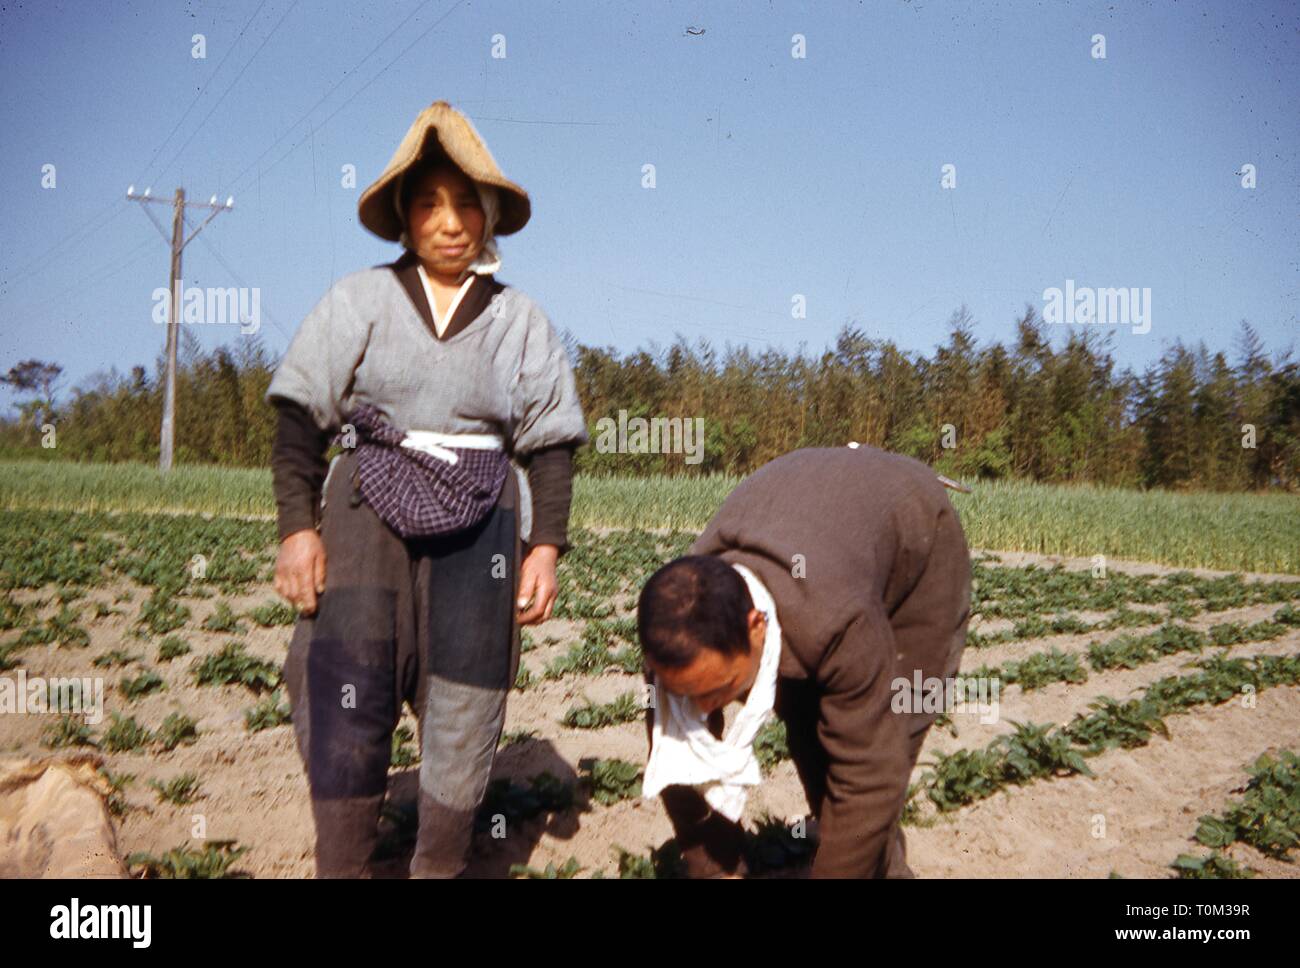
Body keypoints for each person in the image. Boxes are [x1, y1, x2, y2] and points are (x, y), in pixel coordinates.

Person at [265, 100, 588, 878]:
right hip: (362, 508)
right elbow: (299, 418)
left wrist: (545, 547)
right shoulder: (359, 301)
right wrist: (296, 528)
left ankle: (437, 864)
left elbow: (550, 443)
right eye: (429, 204)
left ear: (491, 216)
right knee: (350, 678)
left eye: (466, 204)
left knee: (467, 694)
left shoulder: (521, 322)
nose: (449, 222)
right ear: (405, 220)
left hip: (483, 520)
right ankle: (342, 863)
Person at [637, 445, 971, 878]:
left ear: (757, 626)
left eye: (718, 690)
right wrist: (717, 871)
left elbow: (869, 777)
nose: (703, 710)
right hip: (814, 532)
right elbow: (678, 764)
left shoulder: (837, 621)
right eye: (687, 695)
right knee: (806, 729)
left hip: (917, 544)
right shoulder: (672, 636)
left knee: (874, 751)